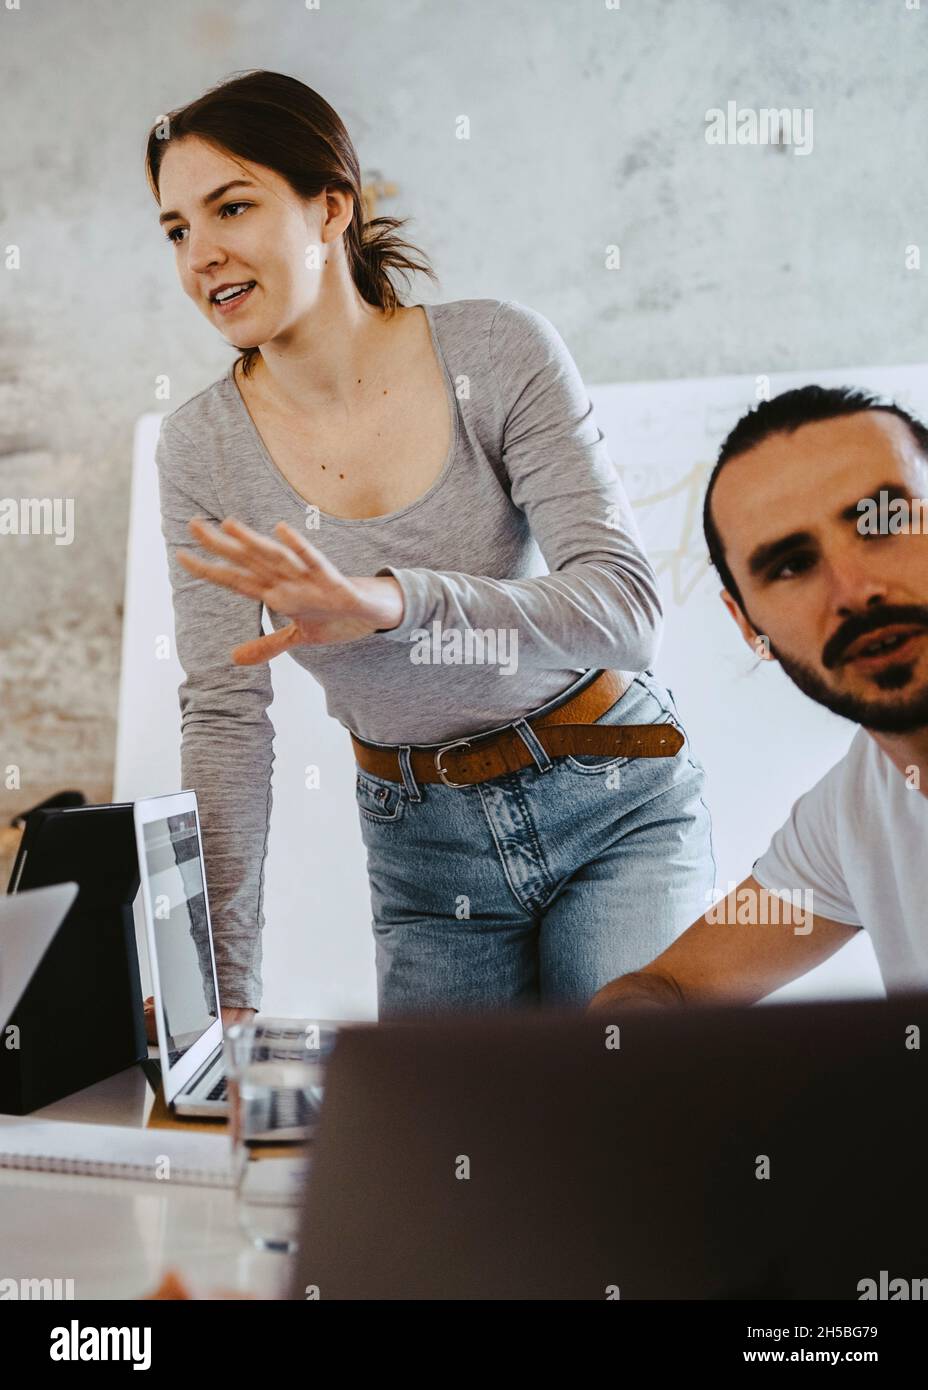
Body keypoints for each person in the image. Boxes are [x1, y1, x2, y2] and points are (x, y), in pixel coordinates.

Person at [146, 69, 714, 1026]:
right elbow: (225, 719)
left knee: (626, 1128)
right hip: (425, 848)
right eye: (174, 230)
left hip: (612, 793)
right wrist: (223, 999)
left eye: (230, 207)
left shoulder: (496, 354)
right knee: (458, 1162)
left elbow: (624, 610)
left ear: (331, 208)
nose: (201, 254)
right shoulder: (199, 448)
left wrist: (393, 599)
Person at [591, 385, 928, 1012]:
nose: (854, 590)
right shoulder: (854, 809)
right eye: (792, 565)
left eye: (883, 523)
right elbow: (672, 988)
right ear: (749, 626)